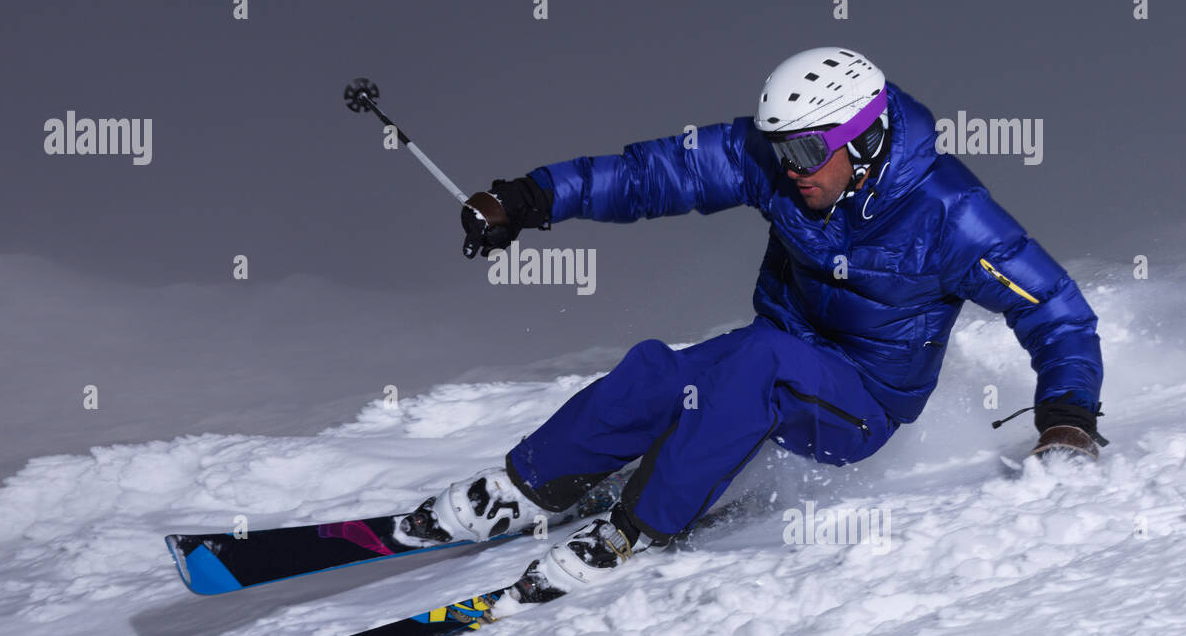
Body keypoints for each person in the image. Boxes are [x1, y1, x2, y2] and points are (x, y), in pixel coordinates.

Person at [417, 47, 1104, 601]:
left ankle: (639, 529)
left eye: (805, 153)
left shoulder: (950, 212)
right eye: (779, 151)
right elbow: (655, 174)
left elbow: (1056, 309)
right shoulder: (785, 167)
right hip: (778, 346)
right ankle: (523, 483)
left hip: (864, 402)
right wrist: (530, 198)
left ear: (863, 139)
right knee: (664, 372)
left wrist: (1067, 416)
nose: (788, 169)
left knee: (756, 366)